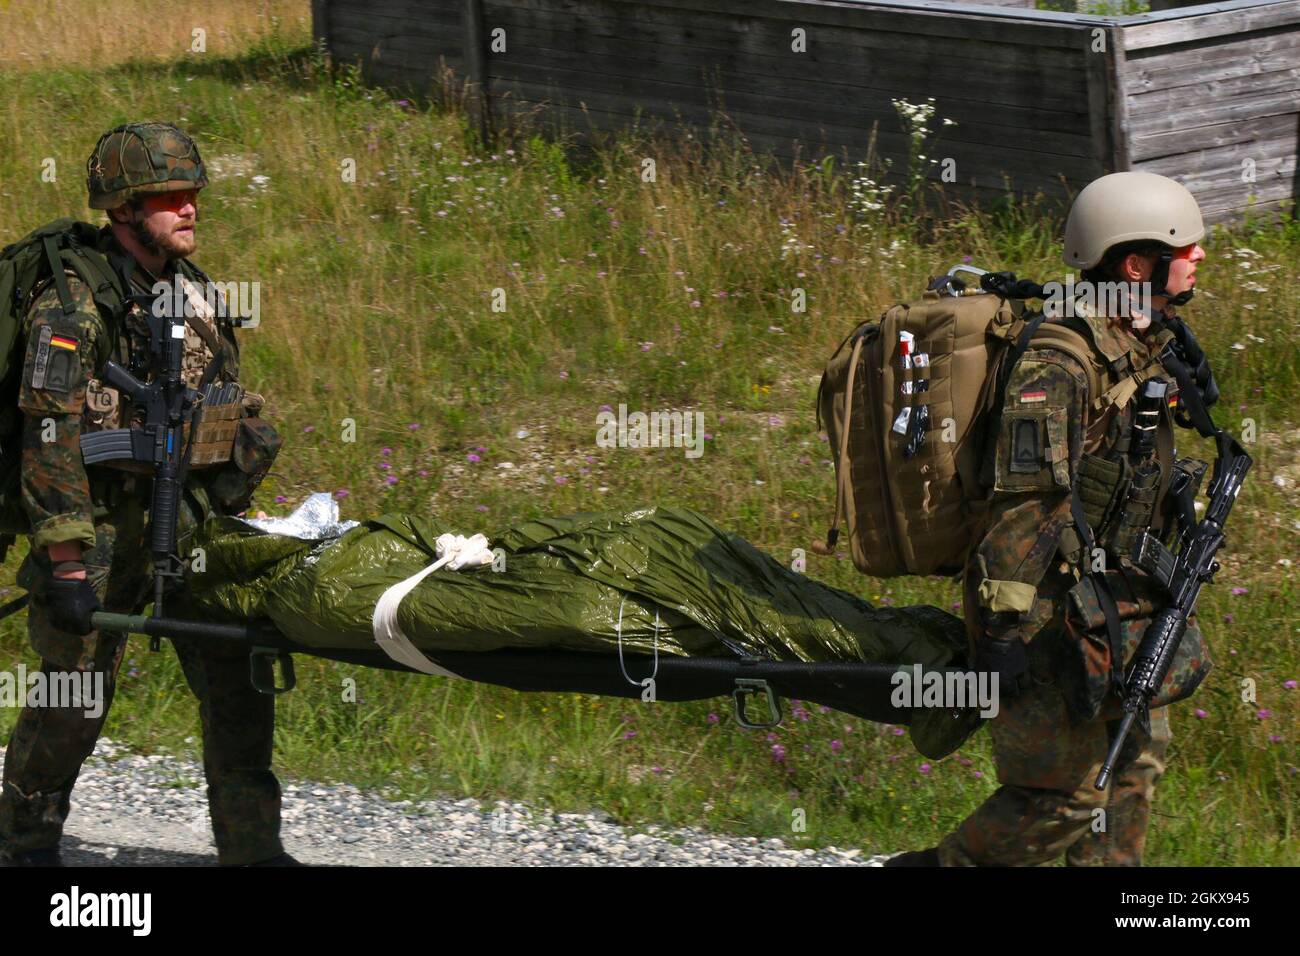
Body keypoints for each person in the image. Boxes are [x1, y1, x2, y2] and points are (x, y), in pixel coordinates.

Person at [889, 171, 1218, 866]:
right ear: (1135, 264)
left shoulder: (1138, 338)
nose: (1200, 258)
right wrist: (1003, 633)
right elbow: (1026, 505)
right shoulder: (1059, 362)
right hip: (1040, 610)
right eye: (1184, 248)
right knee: (1061, 796)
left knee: (1133, 767)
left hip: (1117, 602)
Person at [0, 122, 293, 866]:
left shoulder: (197, 293)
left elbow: (227, 395)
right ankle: (24, 842)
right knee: (73, 700)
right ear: (124, 208)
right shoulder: (70, 304)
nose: (191, 208)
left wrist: (240, 461)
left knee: (236, 678)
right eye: (171, 195)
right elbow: (49, 431)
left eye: (194, 193)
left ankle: (253, 850)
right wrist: (66, 562)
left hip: (187, 520)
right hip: (95, 526)